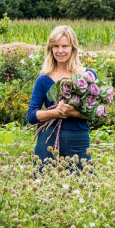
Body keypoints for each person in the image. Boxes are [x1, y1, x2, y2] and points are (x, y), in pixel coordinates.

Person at [26, 25, 92, 164]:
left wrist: (72, 112)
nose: (60, 51)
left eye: (65, 46)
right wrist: (56, 112)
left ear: (73, 48)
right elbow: (31, 116)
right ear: (50, 49)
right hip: (48, 140)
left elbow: (96, 113)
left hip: (78, 140)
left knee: (83, 182)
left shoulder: (87, 75)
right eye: (56, 46)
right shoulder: (44, 79)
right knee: (44, 182)